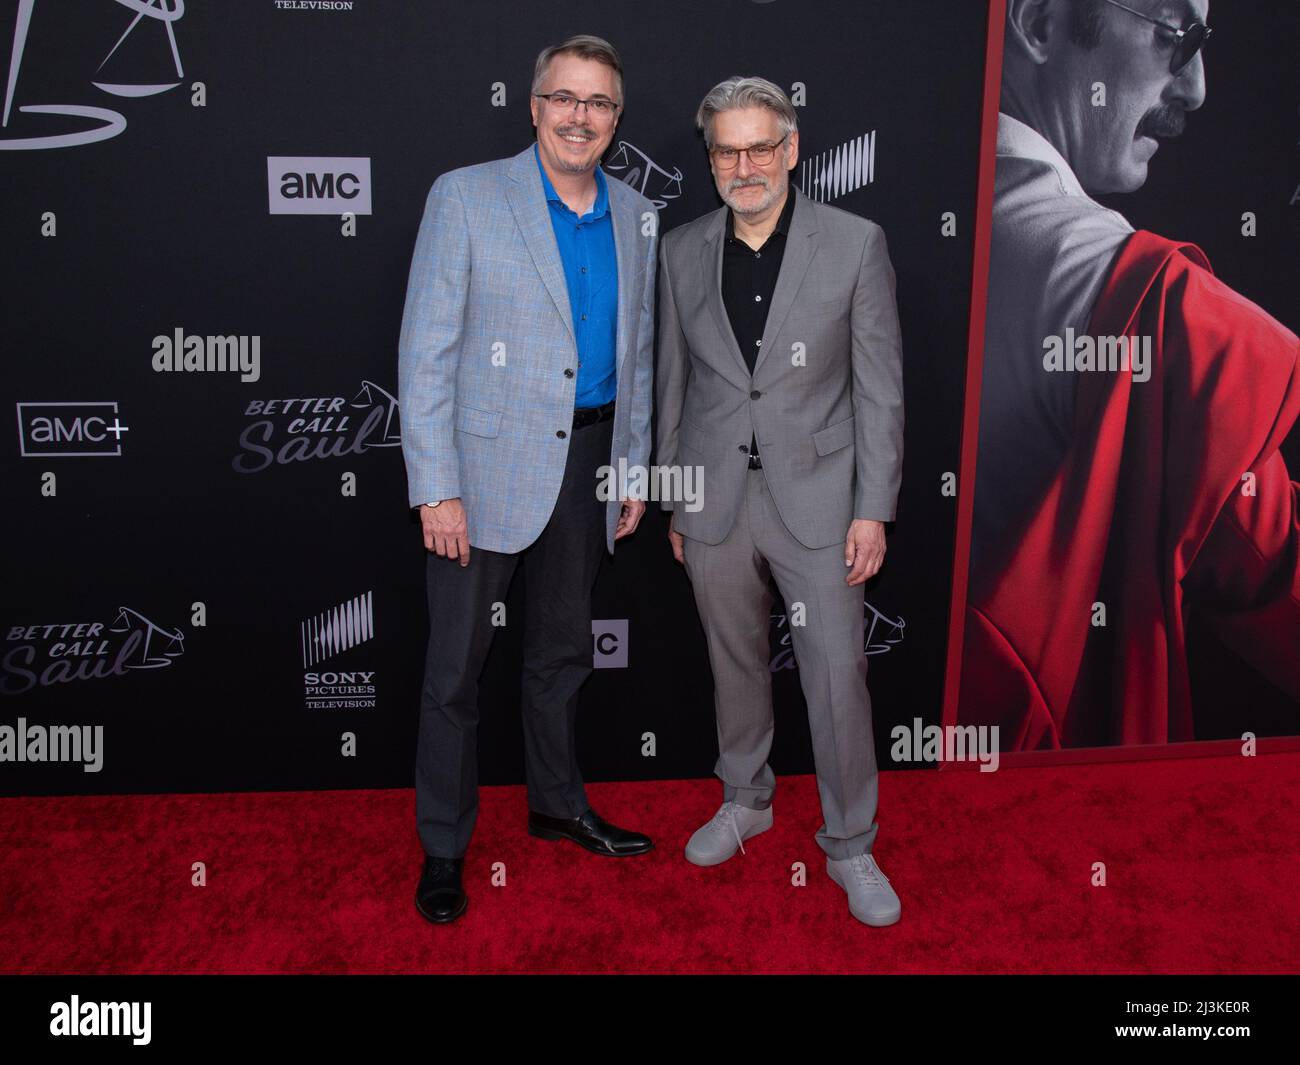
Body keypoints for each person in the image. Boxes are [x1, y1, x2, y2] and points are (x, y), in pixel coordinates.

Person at [961, 0, 1300, 749]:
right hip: (1042, 832)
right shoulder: (1112, 286)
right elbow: (1277, 563)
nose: (1199, 86)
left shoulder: (880, 205)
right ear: (1042, 21)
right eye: (1175, 35)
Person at [397, 34, 657, 925]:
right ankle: (444, 846)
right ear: (535, 104)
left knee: (560, 652)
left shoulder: (634, 212)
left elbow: (641, 355)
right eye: (566, 97)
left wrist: (631, 464)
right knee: (454, 674)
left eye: (599, 103)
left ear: (616, 121)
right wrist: (435, 485)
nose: (581, 115)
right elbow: (425, 351)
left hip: (588, 460)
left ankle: (557, 804)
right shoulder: (467, 196)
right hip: (482, 469)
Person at [655, 76, 905, 926]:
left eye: (762, 146)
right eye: (728, 149)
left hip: (823, 501)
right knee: (734, 665)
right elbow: (672, 386)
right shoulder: (680, 249)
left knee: (837, 675)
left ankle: (851, 843)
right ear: (711, 157)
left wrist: (873, 507)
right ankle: (746, 799)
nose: (745, 164)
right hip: (715, 497)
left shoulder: (856, 243)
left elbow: (881, 392)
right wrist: (676, 500)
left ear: (793, 148)